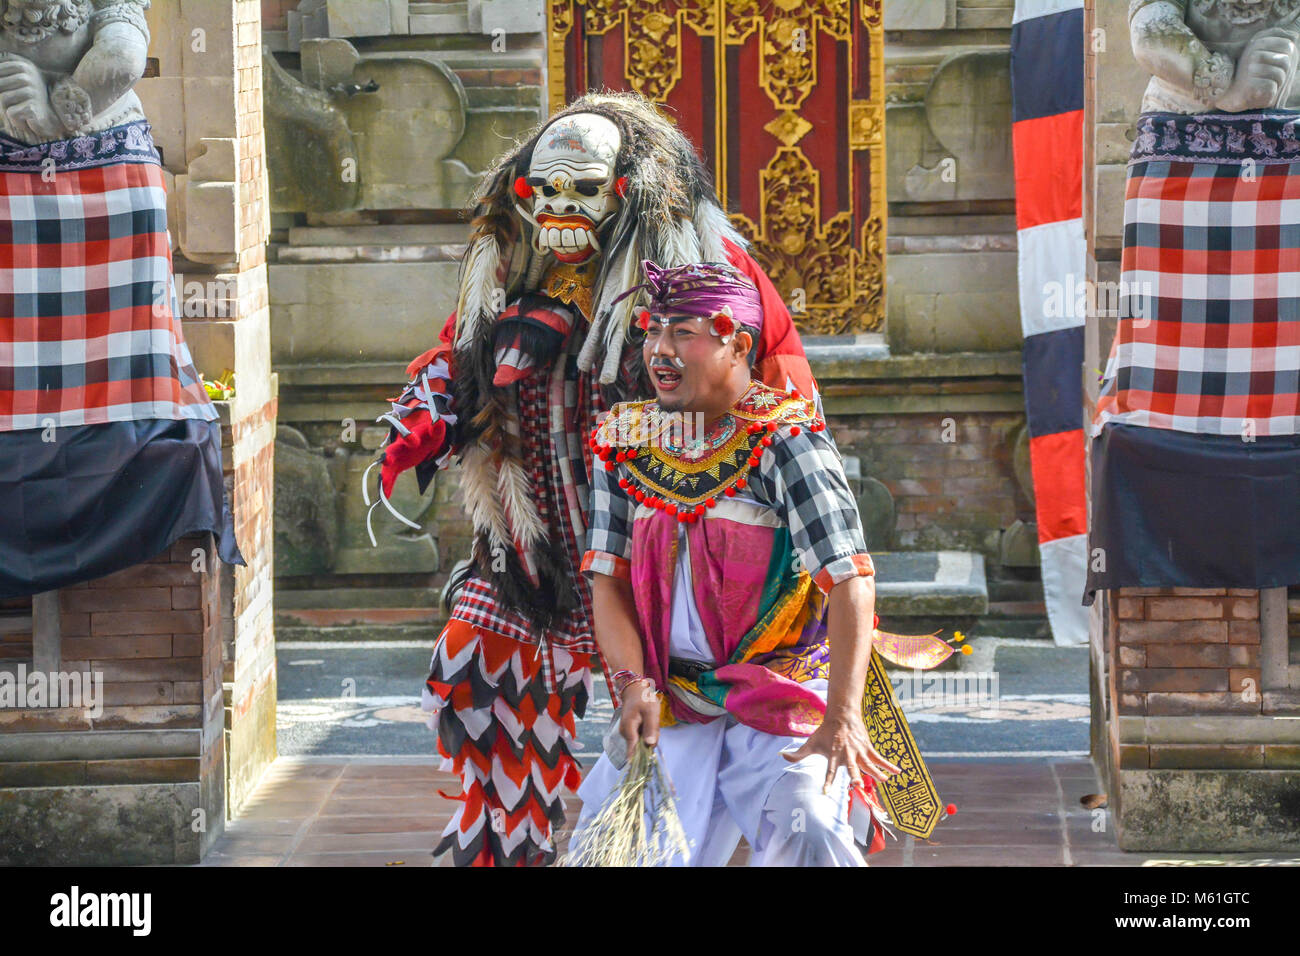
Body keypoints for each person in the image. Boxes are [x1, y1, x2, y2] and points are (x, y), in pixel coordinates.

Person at [369, 92, 818, 866]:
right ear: (522, 191)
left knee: (688, 765)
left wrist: (785, 540)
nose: (560, 209)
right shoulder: (506, 260)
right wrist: (433, 408)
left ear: (627, 190)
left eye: (583, 190)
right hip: (533, 544)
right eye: (546, 190)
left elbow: (775, 389)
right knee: (481, 672)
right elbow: (460, 355)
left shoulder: (702, 270)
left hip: (663, 563)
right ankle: (511, 850)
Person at [573, 261, 901, 866]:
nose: (660, 352)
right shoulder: (621, 443)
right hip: (670, 695)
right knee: (613, 853)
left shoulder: (784, 440)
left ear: (739, 343)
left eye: (684, 333)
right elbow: (608, 581)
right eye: (652, 330)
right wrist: (630, 685)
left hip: (778, 687)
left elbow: (849, 578)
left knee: (811, 826)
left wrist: (842, 718)